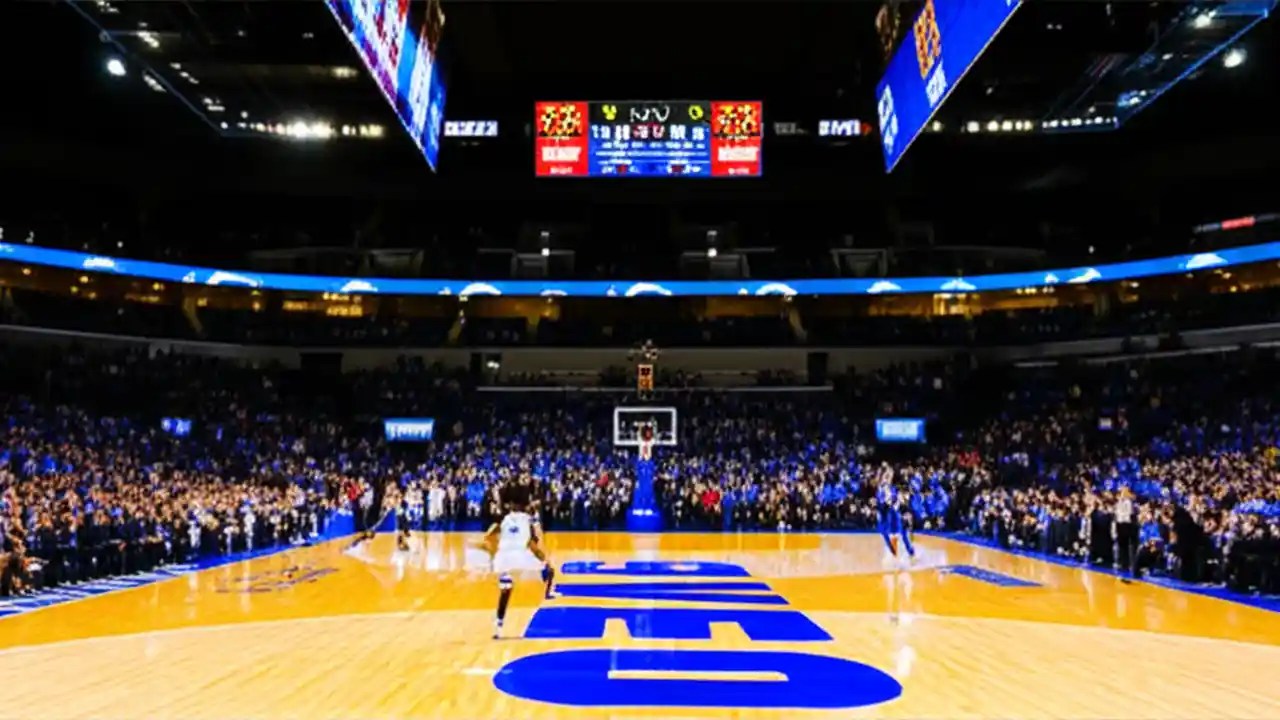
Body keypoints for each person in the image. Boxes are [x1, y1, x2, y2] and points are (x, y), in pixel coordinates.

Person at [480, 485, 555, 639]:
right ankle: (548, 593)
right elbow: (534, 542)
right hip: (521, 555)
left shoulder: (504, 518)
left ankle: (498, 626)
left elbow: (491, 532)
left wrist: (489, 544)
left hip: (503, 559)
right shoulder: (528, 519)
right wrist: (543, 557)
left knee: (505, 591)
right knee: (549, 571)